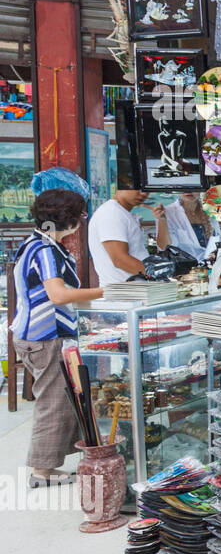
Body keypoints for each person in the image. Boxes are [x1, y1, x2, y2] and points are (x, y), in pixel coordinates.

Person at [11, 189, 103, 485]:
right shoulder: (46, 250)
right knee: (53, 401)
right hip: (44, 336)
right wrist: (106, 292)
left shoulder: (34, 243)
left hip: (34, 334)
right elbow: (58, 294)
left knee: (59, 400)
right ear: (70, 219)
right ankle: (42, 471)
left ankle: (51, 464)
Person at [87, 188, 168, 284]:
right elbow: (120, 260)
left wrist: (161, 219)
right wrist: (160, 274)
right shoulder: (111, 212)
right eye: (137, 188)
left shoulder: (123, 213)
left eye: (146, 190)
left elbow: (163, 246)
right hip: (123, 294)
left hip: (135, 292)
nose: (143, 194)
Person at [162, 192, 220, 262]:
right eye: (183, 186)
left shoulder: (210, 210)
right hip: (184, 269)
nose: (188, 190)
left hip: (212, 266)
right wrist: (161, 220)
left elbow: (218, 239)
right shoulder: (167, 212)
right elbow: (164, 247)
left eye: (193, 186)